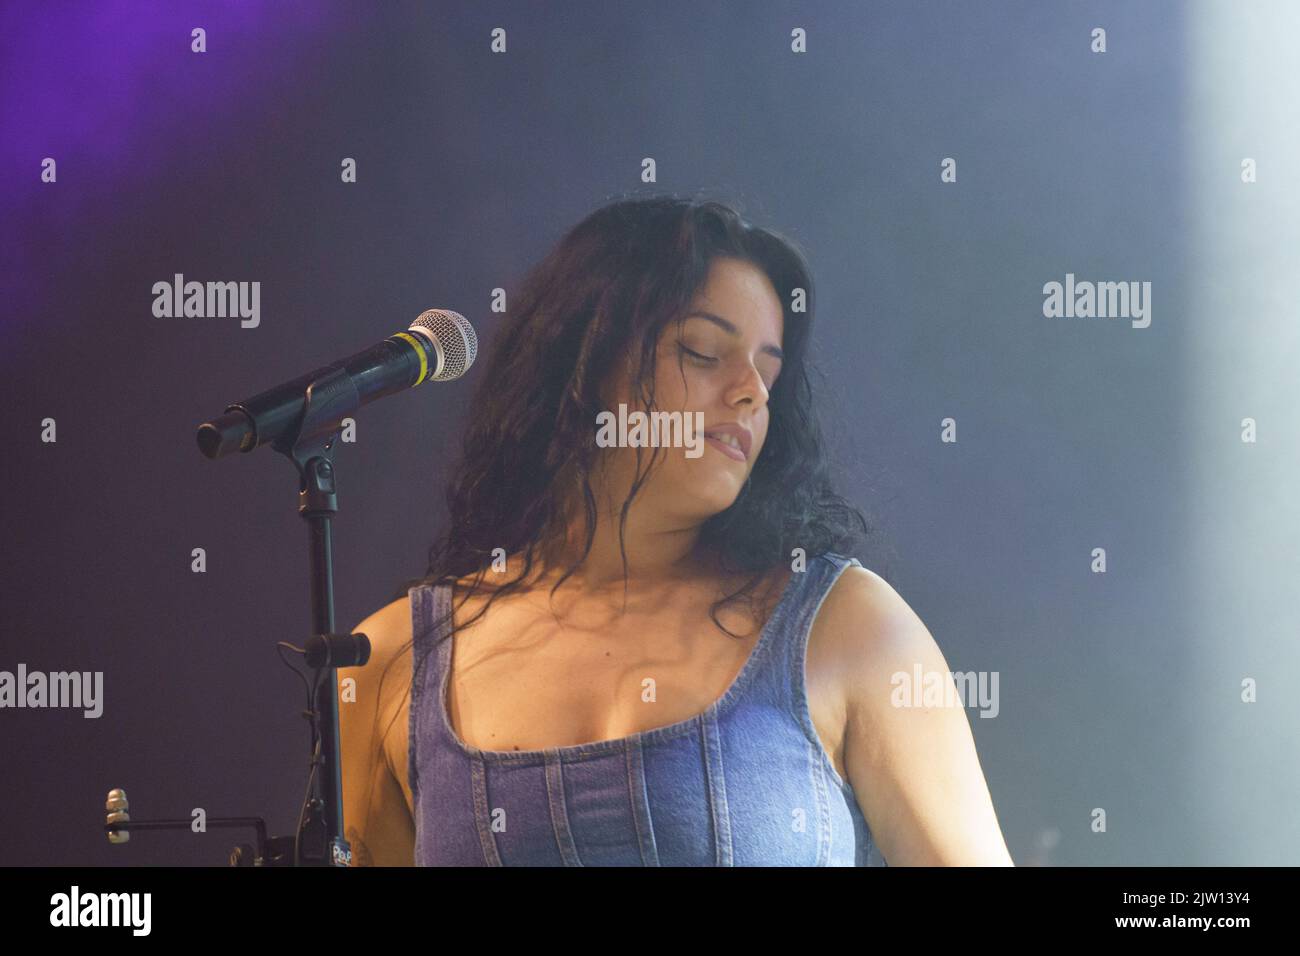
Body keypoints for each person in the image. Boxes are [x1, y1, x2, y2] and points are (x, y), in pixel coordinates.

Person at [338, 195, 1014, 866]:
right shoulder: (390, 658)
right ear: (581, 361)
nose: (751, 391)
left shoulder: (848, 627)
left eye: (768, 373)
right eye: (702, 350)